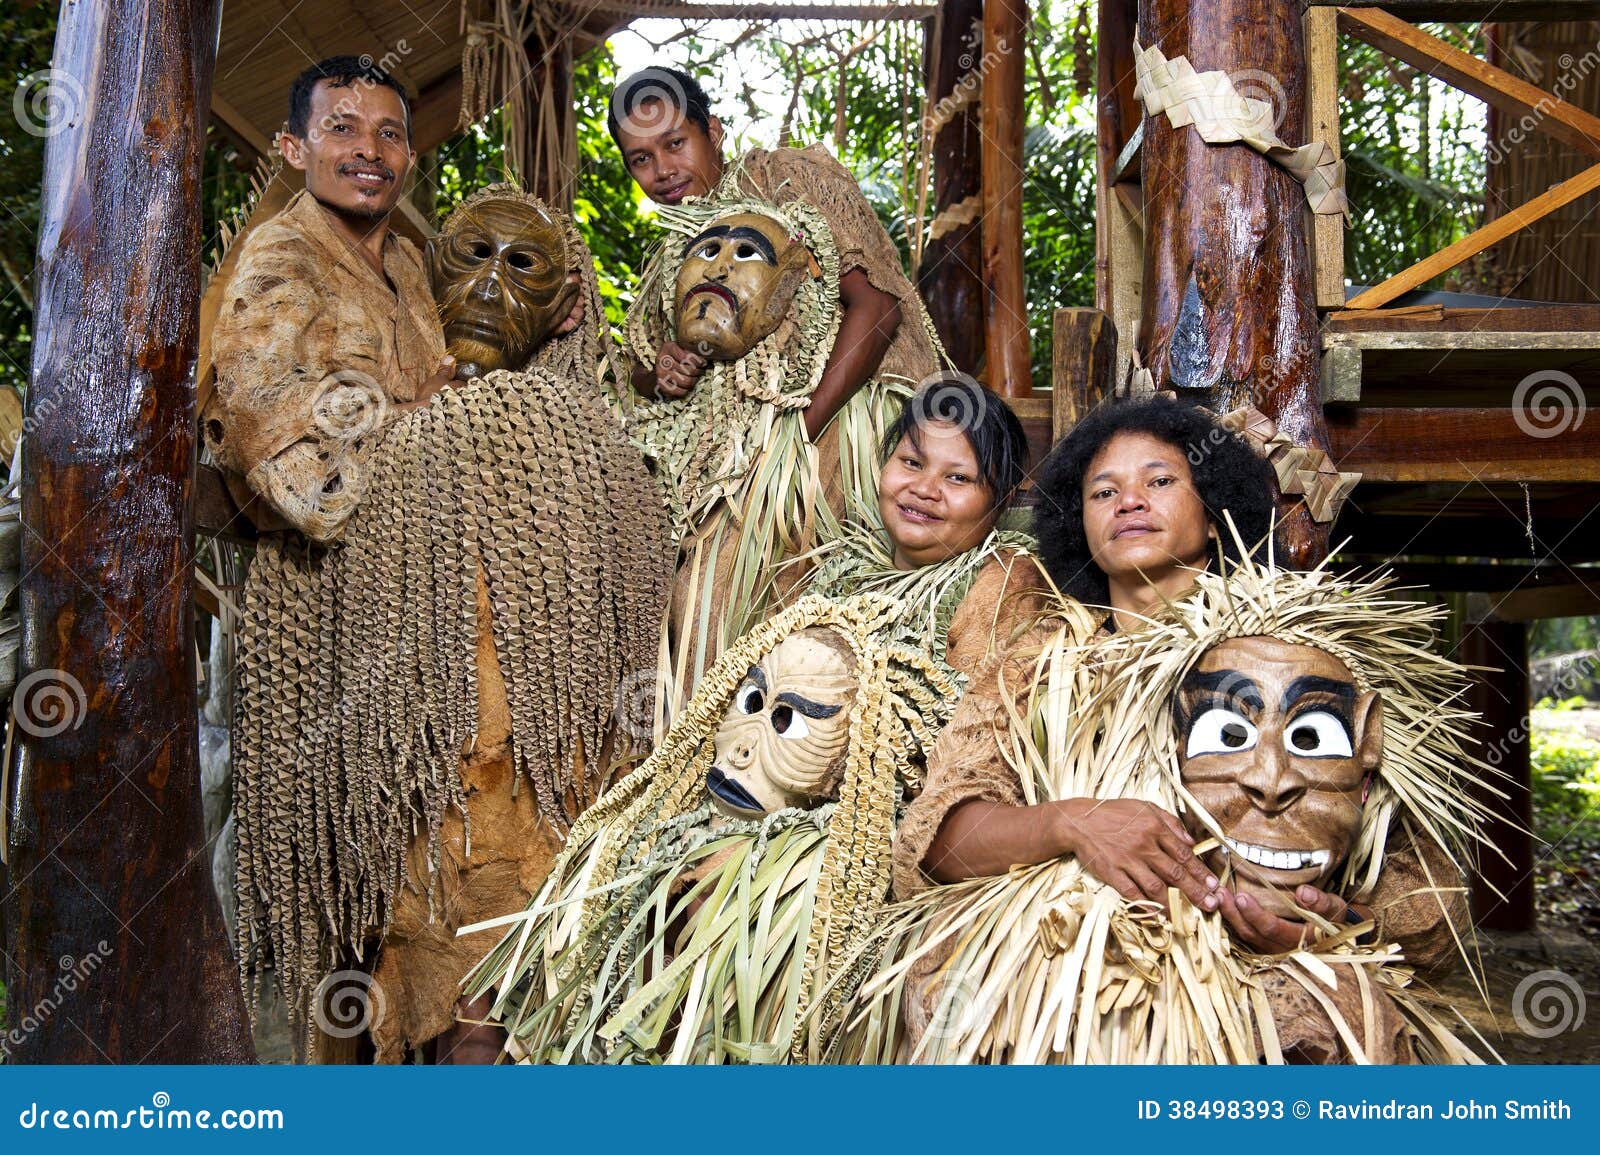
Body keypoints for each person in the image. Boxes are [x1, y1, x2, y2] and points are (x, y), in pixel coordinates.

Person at [896, 396, 1467, 971]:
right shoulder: (1042, 664)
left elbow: (1434, 901)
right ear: (1080, 528)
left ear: (1215, 516)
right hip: (1079, 977)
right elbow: (934, 842)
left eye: (1161, 481)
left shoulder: (1306, 651)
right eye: (1103, 493)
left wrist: (1339, 926)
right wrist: (1069, 822)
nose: (1130, 502)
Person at [608, 66, 938, 443]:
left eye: (674, 144)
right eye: (641, 159)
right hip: (738, 450)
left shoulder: (780, 179)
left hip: (844, 429)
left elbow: (877, 307)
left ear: (713, 133)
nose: (663, 170)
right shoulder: (672, 254)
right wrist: (662, 373)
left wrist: (796, 440)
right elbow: (642, 375)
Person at [203, 56, 454, 539]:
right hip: (334, 572)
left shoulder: (412, 263)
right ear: (295, 150)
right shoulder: (283, 254)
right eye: (342, 128)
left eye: (389, 134)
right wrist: (414, 418)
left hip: (437, 547)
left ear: (409, 158)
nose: (370, 150)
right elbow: (268, 426)